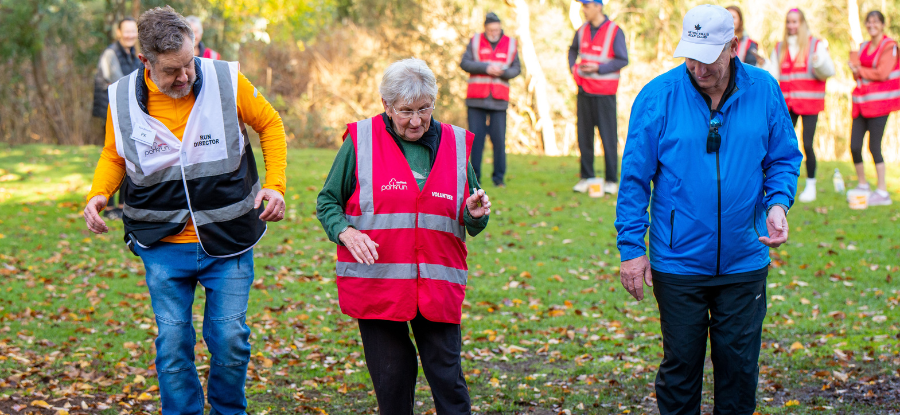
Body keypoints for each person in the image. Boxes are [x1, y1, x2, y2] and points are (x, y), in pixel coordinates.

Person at [82, 6, 287, 414]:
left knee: (229, 338)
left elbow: (271, 124)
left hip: (228, 237)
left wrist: (275, 185)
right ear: (145, 61)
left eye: (189, 63)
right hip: (160, 242)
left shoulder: (225, 79)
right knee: (173, 343)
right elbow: (113, 153)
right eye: (173, 70)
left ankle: (229, 410)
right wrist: (99, 192)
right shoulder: (121, 96)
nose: (186, 76)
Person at [615, 5, 802, 413]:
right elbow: (633, 180)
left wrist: (777, 203)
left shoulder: (765, 89)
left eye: (709, 57)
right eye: (691, 56)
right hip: (678, 263)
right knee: (681, 368)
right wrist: (631, 249)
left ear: (733, 47)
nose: (698, 68)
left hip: (744, 261)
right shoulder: (658, 97)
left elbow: (784, 157)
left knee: (738, 370)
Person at [316, 58, 491, 415]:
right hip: (379, 285)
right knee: (393, 382)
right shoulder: (361, 141)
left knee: (449, 381)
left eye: (424, 109)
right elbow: (327, 201)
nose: (416, 121)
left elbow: (470, 215)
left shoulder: (456, 144)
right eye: (406, 111)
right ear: (386, 106)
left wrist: (474, 214)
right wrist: (345, 231)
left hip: (437, 283)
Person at [764, 8, 835, 203]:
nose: (791, 26)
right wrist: (764, 65)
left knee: (808, 144)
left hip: (810, 103)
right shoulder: (780, 47)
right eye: (788, 22)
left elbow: (829, 71)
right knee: (781, 143)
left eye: (795, 22)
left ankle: (811, 184)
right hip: (787, 104)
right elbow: (773, 75)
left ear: (802, 23)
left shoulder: (815, 45)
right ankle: (779, 182)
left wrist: (819, 62)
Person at [569, 0, 628, 195]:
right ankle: (586, 177)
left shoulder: (614, 31)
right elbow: (572, 50)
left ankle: (612, 180)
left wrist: (599, 68)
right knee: (584, 136)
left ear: (598, 6)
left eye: (586, 6)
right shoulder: (582, 30)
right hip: (584, 91)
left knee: (608, 137)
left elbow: (622, 59)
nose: (583, 9)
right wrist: (572, 67)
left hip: (605, 94)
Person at [460, 11, 521, 187]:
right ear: (485, 28)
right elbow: (465, 63)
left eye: (496, 29)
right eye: (490, 30)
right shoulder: (476, 40)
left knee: (499, 140)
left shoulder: (510, 44)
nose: (494, 32)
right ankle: (475, 178)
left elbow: (516, 68)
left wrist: (504, 73)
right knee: (476, 140)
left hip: (499, 100)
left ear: (500, 28)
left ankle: (499, 178)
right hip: (476, 99)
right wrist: (486, 67)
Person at [91, 17, 143, 219]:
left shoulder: (132, 53)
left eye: (133, 31)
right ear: (119, 33)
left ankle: (123, 206)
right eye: (126, 31)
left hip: (127, 110)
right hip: (112, 110)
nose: (130, 35)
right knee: (115, 155)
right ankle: (110, 206)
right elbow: (120, 83)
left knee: (128, 154)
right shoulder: (111, 53)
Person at [849, 10, 897, 206]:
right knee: (854, 145)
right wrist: (855, 71)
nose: (871, 25)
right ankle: (863, 184)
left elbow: (883, 73)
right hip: (862, 103)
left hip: (880, 104)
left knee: (874, 146)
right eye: (868, 22)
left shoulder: (889, 46)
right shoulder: (862, 47)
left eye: (875, 21)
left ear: (882, 24)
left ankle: (883, 191)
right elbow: (858, 75)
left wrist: (859, 70)